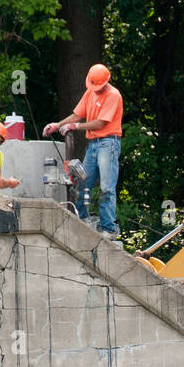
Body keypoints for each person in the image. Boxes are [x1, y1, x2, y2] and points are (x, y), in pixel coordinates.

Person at [44, 63, 123, 238]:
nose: (96, 89)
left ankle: (108, 228)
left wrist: (76, 126)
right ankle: (82, 220)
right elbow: (77, 114)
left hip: (108, 143)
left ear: (105, 82)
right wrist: (58, 125)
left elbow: (101, 123)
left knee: (106, 187)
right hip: (94, 144)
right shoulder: (90, 93)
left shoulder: (113, 95)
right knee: (82, 182)